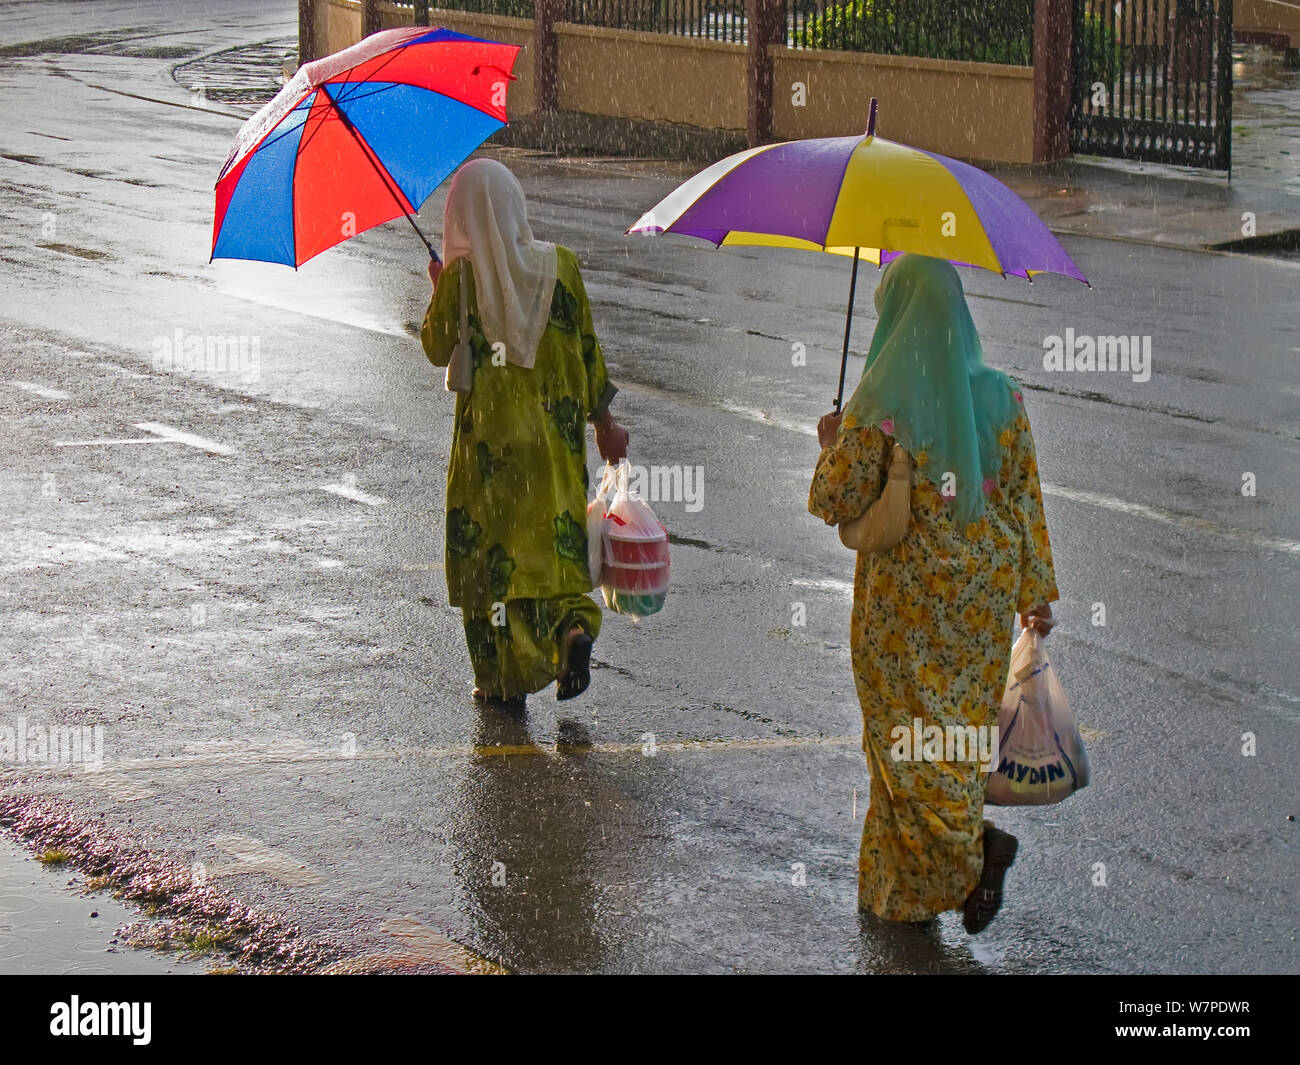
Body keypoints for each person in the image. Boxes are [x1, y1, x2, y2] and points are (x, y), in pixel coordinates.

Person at [808, 253, 1058, 934]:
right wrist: (1035, 594)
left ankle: (972, 853)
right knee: (946, 743)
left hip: (900, 613)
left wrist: (832, 442)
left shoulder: (880, 404)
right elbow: (1022, 501)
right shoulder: (1002, 396)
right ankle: (897, 890)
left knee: (902, 747)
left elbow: (832, 499)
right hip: (977, 609)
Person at [421, 159, 629, 708]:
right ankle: (570, 631)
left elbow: (436, 348)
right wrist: (604, 425)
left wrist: (440, 289)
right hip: (554, 445)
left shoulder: (464, 280)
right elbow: (588, 351)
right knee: (550, 552)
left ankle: (498, 680)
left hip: (490, 450)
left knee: (493, 561)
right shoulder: (561, 267)